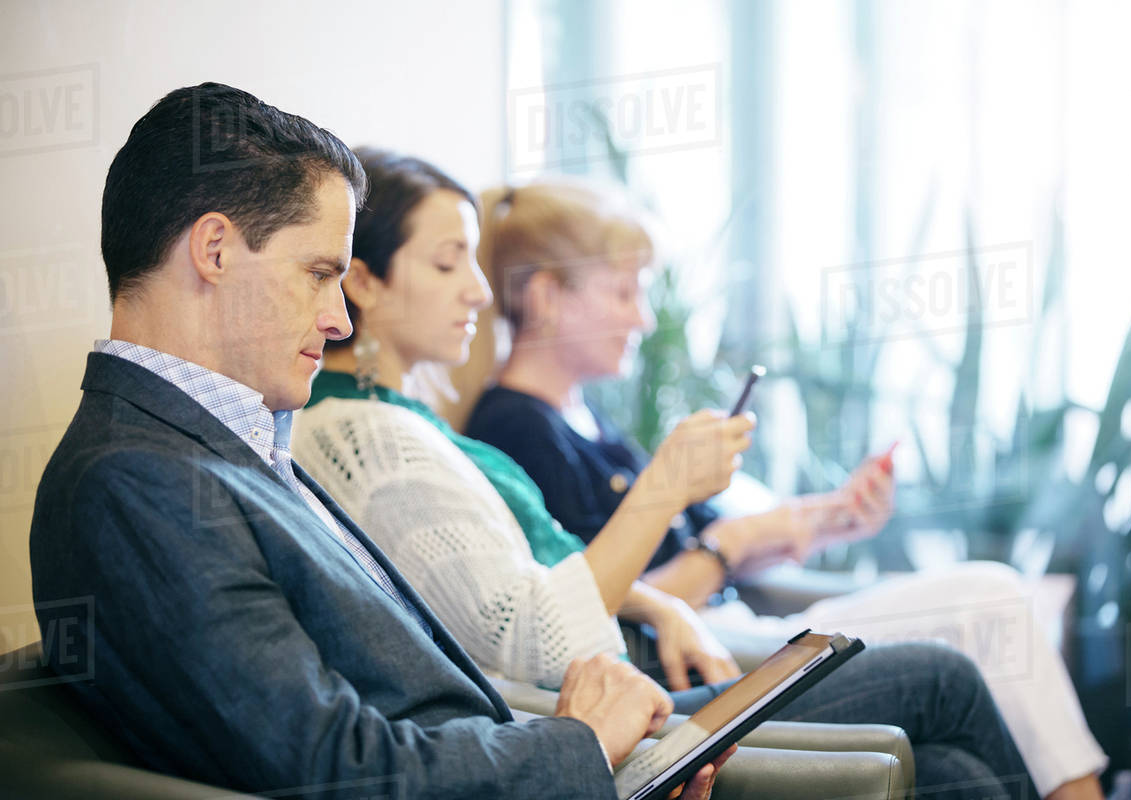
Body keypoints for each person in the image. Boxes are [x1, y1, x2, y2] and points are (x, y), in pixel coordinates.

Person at [26, 83, 733, 800]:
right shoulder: (135, 481)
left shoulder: (218, 446)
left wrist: (594, 750)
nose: (340, 319)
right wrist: (582, 746)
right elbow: (335, 768)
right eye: (319, 274)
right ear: (214, 250)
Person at [293, 151, 1038, 800]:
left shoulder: (405, 425)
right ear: (366, 281)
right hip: (606, 696)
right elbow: (530, 634)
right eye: (448, 262)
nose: (481, 292)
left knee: (953, 770)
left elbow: (534, 583)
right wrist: (670, 498)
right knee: (950, 666)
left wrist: (675, 589)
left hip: (638, 665)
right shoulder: (373, 437)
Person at [462, 179, 1108, 800]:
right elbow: (594, 609)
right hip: (710, 660)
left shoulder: (587, 419)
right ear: (546, 296)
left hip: (738, 628)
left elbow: (699, 552)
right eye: (624, 292)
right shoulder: (515, 431)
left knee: (955, 761)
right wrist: (726, 543)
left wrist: (828, 519)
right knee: (992, 600)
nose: (644, 316)